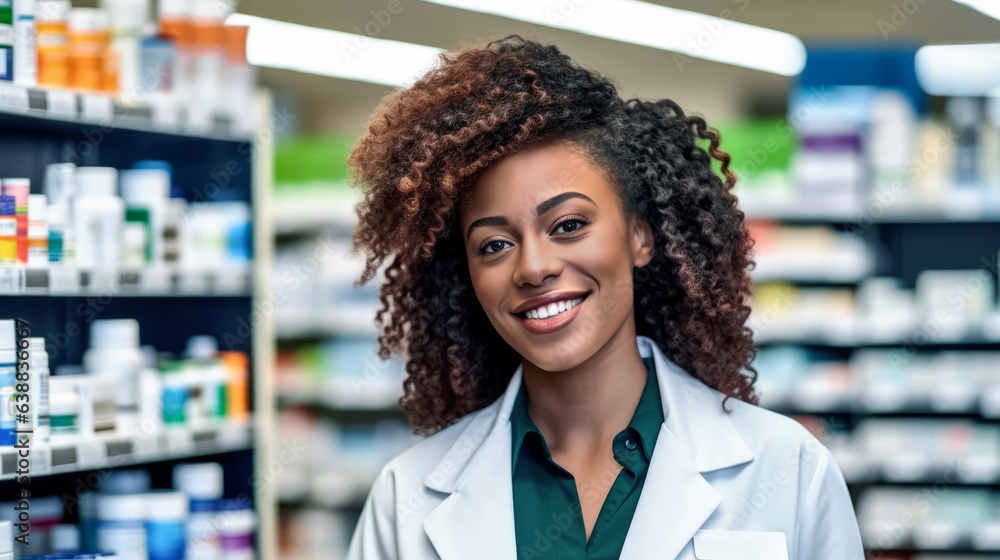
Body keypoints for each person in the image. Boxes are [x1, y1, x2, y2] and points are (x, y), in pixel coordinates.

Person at [344, 34, 864, 560]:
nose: (534, 267)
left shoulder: (788, 469)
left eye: (568, 225)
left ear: (640, 237)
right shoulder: (403, 500)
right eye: (495, 244)